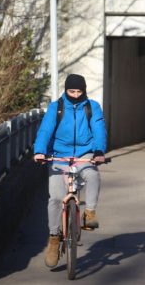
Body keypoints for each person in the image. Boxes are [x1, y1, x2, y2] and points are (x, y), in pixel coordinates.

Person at [33, 74, 107, 269]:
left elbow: (99, 129)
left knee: (92, 175)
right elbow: (45, 130)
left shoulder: (92, 107)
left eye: (79, 91)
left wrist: (99, 151)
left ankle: (89, 212)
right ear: (66, 90)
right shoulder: (56, 107)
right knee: (56, 198)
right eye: (71, 91)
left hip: (84, 154)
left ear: (84, 90)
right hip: (59, 156)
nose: (75, 95)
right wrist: (40, 151)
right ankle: (54, 238)